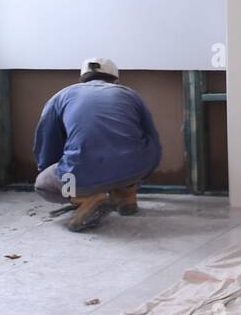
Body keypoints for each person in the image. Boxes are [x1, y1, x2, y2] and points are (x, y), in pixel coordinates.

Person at [33, 57, 163, 232]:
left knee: (43, 184)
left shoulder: (62, 96)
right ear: (115, 80)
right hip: (136, 168)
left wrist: (55, 173)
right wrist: (146, 168)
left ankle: (85, 198)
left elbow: (47, 143)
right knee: (128, 152)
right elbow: (151, 136)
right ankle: (126, 196)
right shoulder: (129, 94)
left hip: (83, 173)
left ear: (82, 79)